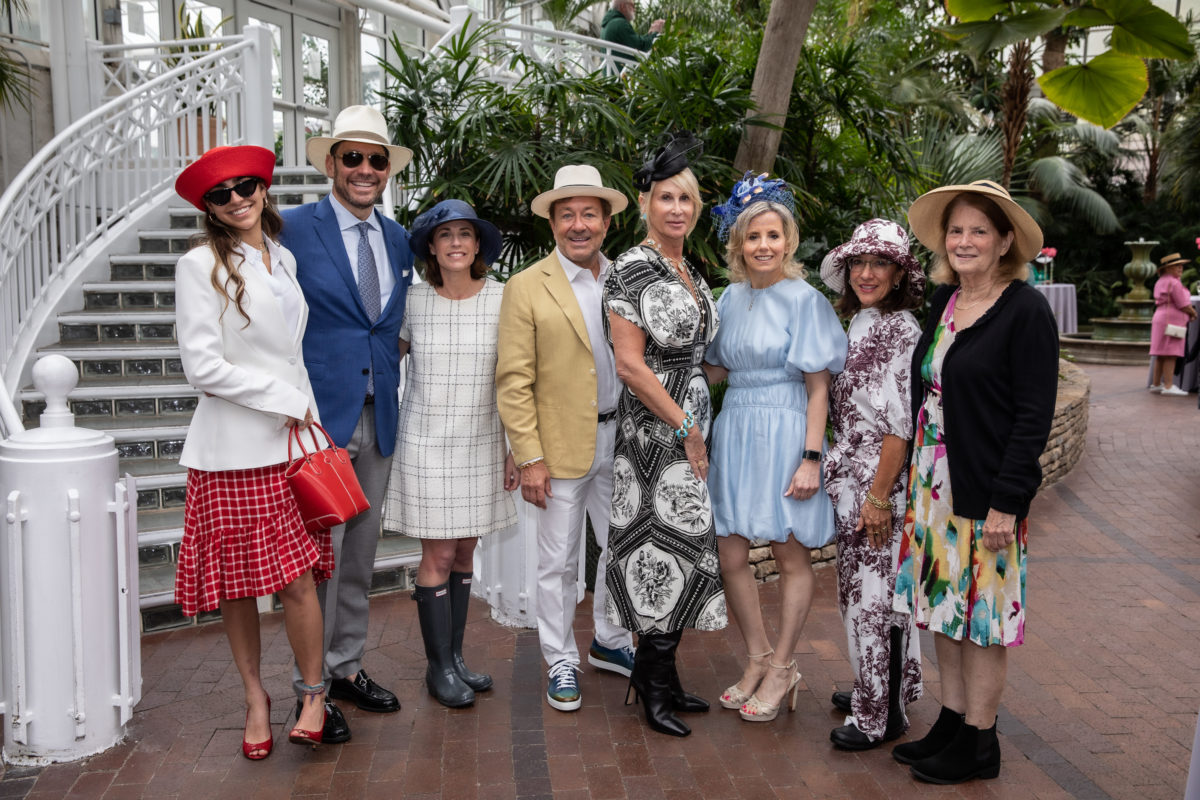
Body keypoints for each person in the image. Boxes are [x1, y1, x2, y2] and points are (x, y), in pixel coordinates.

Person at [894, 180, 1058, 784]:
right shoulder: (945, 299)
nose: (964, 241)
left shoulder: (1026, 311)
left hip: (985, 490)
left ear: (1005, 241)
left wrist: (1007, 502)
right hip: (934, 483)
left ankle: (981, 741)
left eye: (979, 231)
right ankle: (953, 720)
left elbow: (1033, 416)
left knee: (982, 615)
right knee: (943, 604)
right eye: (956, 230)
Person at [172, 145, 331, 757]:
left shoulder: (282, 257)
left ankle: (313, 694)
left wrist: (310, 421)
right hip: (233, 450)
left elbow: (290, 352)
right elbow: (201, 367)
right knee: (237, 586)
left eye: (245, 186)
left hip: (292, 443)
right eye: (222, 194)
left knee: (297, 581)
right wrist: (283, 398)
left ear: (264, 188)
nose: (237, 199)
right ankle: (254, 698)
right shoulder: (199, 265)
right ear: (209, 208)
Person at [280, 105, 414, 740]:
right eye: (352, 157)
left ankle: (346, 667)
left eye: (376, 159)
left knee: (359, 556)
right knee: (317, 562)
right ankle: (309, 690)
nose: (365, 169)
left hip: (379, 413)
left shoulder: (398, 239)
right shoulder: (289, 228)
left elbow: (388, 324)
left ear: (387, 170)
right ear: (331, 163)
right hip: (318, 422)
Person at [704, 172, 847, 724]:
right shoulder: (729, 298)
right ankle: (758, 657)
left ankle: (785, 665)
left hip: (787, 428)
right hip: (737, 427)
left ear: (788, 242)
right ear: (738, 243)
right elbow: (716, 368)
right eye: (753, 236)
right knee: (731, 553)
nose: (763, 245)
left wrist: (811, 459)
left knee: (790, 554)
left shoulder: (804, 300)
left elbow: (818, 387)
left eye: (773, 235)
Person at [496, 165, 636, 713]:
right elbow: (513, 381)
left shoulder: (628, 279)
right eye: (568, 215)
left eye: (589, 214)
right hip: (557, 449)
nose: (579, 224)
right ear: (552, 223)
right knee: (557, 562)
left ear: (606, 222)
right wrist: (529, 456)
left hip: (623, 439)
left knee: (619, 548)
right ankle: (560, 659)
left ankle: (610, 640)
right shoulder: (527, 286)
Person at [603, 133, 724, 738]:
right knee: (658, 544)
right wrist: (687, 428)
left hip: (688, 421)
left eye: (686, 199)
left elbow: (700, 356)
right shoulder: (630, 268)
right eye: (666, 197)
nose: (677, 208)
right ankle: (650, 687)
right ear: (646, 203)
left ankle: (664, 678)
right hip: (656, 431)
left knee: (681, 544)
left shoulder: (689, 269)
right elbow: (630, 365)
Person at [383, 199, 517, 707]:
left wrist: (516, 448)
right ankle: (437, 667)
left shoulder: (503, 298)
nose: (456, 242)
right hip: (426, 445)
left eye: (465, 233)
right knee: (438, 554)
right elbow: (383, 363)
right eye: (445, 235)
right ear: (431, 248)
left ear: (478, 244)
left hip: (482, 441)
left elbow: (516, 379)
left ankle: (456, 658)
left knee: (464, 552)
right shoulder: (412, 302)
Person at [818, 219, 925, 750]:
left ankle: (877, 716)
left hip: (877, 481)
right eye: (858, 262)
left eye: (879, 263)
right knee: (866, 593)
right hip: (853, 476)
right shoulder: (863, 320)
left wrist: (880, 498)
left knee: (874, 601)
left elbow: (899, 427)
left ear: (899, 274)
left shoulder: (899, 330)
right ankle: (881, 690)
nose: (865, 273)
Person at [1150, 252, 1197, 396]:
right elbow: (1183, 304)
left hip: (1161, 318)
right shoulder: (1174, 282)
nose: (1180, 268)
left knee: (1161, 354)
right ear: (1168, 268)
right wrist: (1193, 313)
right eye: (1177, 265)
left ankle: (1156, 384)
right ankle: (1169, 386)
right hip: (1171, 321)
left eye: (1181, 265)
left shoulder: (1161, 281)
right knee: (1171, 354)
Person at [601, 0, 664, 68]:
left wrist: (650, 34)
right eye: (632, 6)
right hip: (622, 72)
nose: (634, 9)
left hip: (611, 70)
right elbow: (640, 47)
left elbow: (634, 42)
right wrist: (655, 33)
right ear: (623, 7)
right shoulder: (620, 24)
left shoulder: (609, 23)